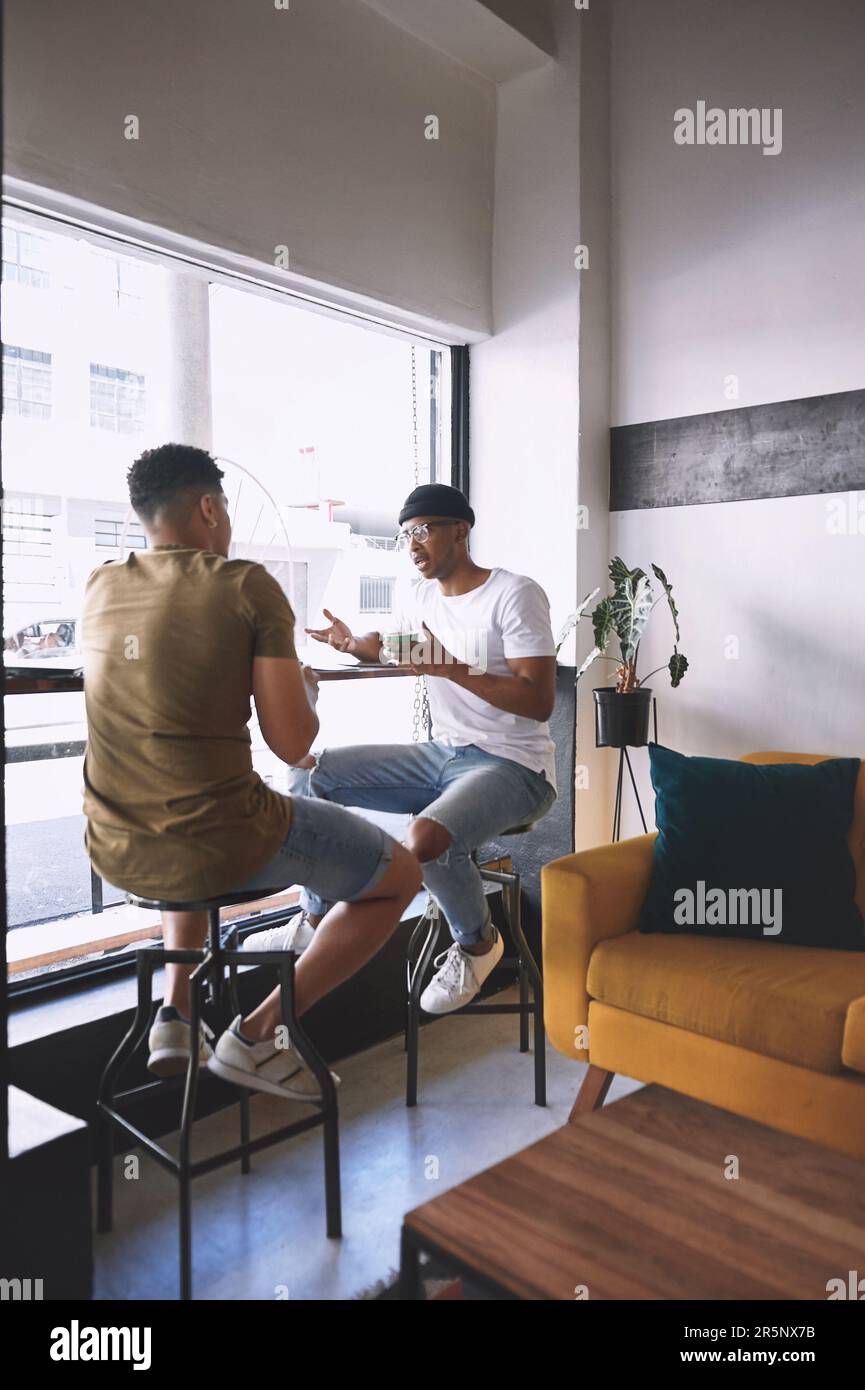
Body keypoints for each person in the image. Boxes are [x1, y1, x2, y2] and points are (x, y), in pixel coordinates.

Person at [81, 443, 421, 1099]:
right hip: (218, 844)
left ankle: (176, 1016)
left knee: (184, 807)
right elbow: (294, 745)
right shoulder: (243, 584)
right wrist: (306, 692)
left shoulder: (101, 584)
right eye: (226, 508)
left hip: (115, 848)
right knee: (399, 874)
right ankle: (259, 1036)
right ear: (208, 508)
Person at [247, 483, 558, 1016]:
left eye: (423, 530)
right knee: (309, 774)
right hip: (443, 755)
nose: (412, 544)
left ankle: (478, 945)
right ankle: (314, 917)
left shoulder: (515, 593)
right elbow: (396, 648)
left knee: (426, 838)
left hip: (516, 768)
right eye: (404, 536)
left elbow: (539, 701)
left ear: (460, 530)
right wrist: (353, 645)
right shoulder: (419, 596)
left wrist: (447, 666)